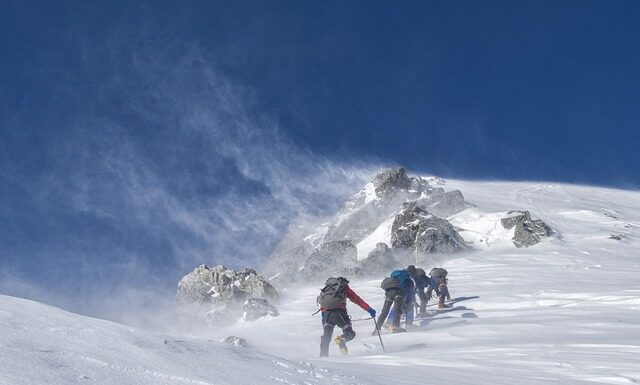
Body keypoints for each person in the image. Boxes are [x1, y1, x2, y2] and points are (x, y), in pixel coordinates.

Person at [317, 277, 376, 357]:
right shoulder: (344, 288)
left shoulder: (326, 289)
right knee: (349, 333)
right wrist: (369, 309)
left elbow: (322, 304)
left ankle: (323, 357)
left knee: (326, 337)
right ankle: (342, 339)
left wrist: (324, 318)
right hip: (340, 314)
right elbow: (357, 300)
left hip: (326, 315)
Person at [374, 269, 414, 333]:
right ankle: (396, 327)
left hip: (389, 292)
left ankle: (377, 329)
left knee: (384, 312)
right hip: (398, 293)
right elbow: (409, 293)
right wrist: (408, 303)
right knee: (397, 311)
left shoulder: (395, 276)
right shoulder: (409, 281)